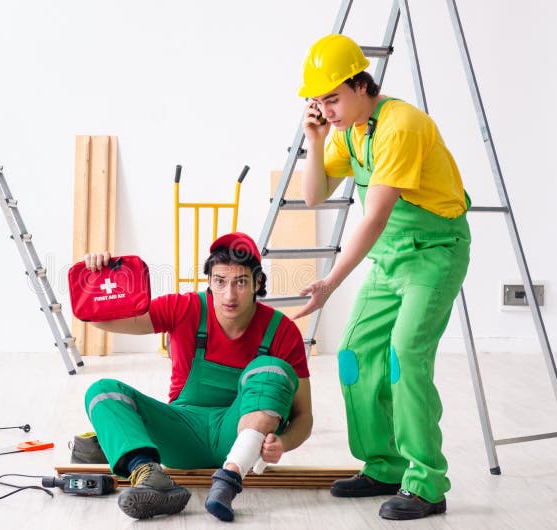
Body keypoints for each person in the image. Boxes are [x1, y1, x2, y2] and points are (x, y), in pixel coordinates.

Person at [291, 34, 471, 520]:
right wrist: (315, 139)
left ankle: (427, 483)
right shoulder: (349, 129)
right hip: (390, 260)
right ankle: (384, 463)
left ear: (361, 83)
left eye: (333, 97)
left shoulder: (400, 125)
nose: (327, 108)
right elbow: (313, 195)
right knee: (353, 353)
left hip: (434, 255)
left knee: (405, 355)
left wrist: (329, 283)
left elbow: (371, 217)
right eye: (319, 101)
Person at [82, 232, 312, 521]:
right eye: (220, 282)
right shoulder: (185, 308)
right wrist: (97, 279)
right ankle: (152, 477)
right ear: (210, 282)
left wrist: (284, 443)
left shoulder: (282, 331)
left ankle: (228, 480)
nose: (229, 295)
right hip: (182, 435)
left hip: (242, 439)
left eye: (240, 282)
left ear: (258, 283)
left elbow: (304, 417)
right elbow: (107, 321)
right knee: (102, 391)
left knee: (270, 367)